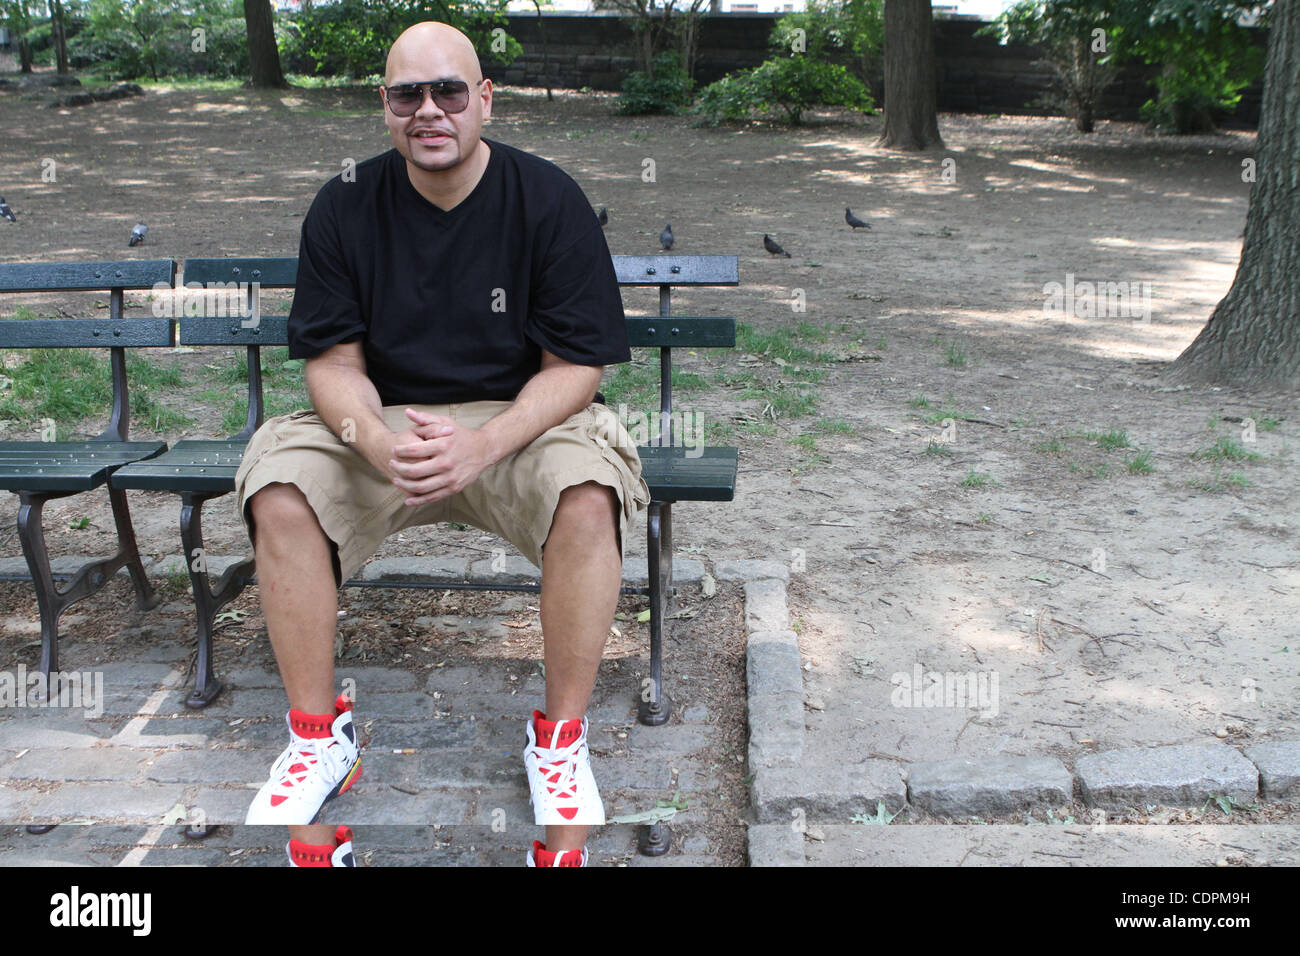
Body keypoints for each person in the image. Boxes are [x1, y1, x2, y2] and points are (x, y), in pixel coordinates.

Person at [234, 20, 650, 869]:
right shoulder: (344, 203)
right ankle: (319, 740)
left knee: (586, 494)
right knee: (279, 486)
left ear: (484, 100)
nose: (429, 110)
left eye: (449, 91)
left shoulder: (548, 198)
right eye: (406, 94)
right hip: (382, 422)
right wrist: (381, 445)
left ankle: (560, 743)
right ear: (384, 107)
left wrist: (484, 444)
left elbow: (576, 368)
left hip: (515, 421)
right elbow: (333, 367)